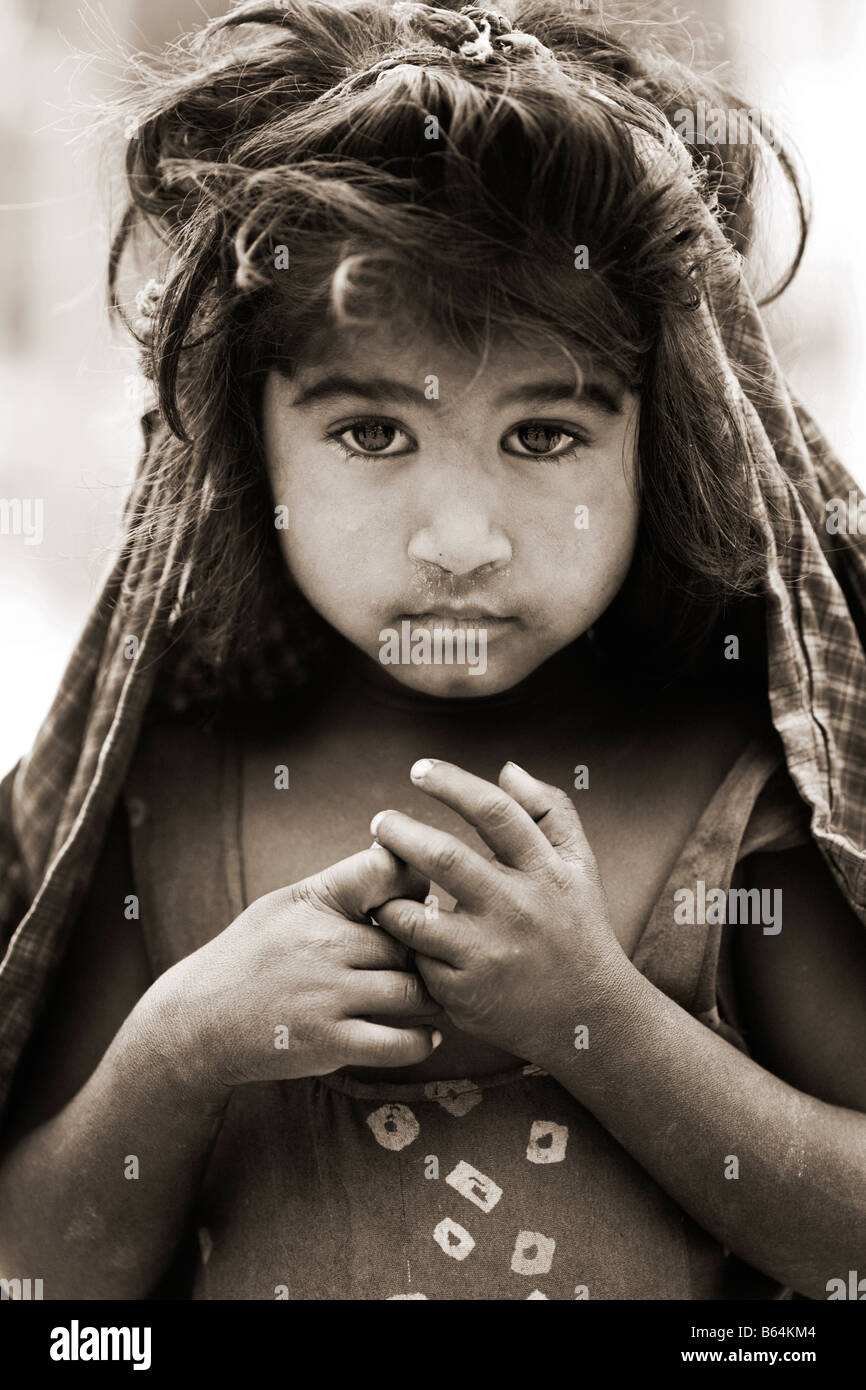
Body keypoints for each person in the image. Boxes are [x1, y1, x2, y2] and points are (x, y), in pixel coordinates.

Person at [0, 0, 864, 1301]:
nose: (458, 541)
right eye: (369, 434)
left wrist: (596, 1015)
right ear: (247, 452)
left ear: (663, 450)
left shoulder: (727, 798)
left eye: (540, 438)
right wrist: (178, 1047)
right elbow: (39, 1282)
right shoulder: (165, 801)